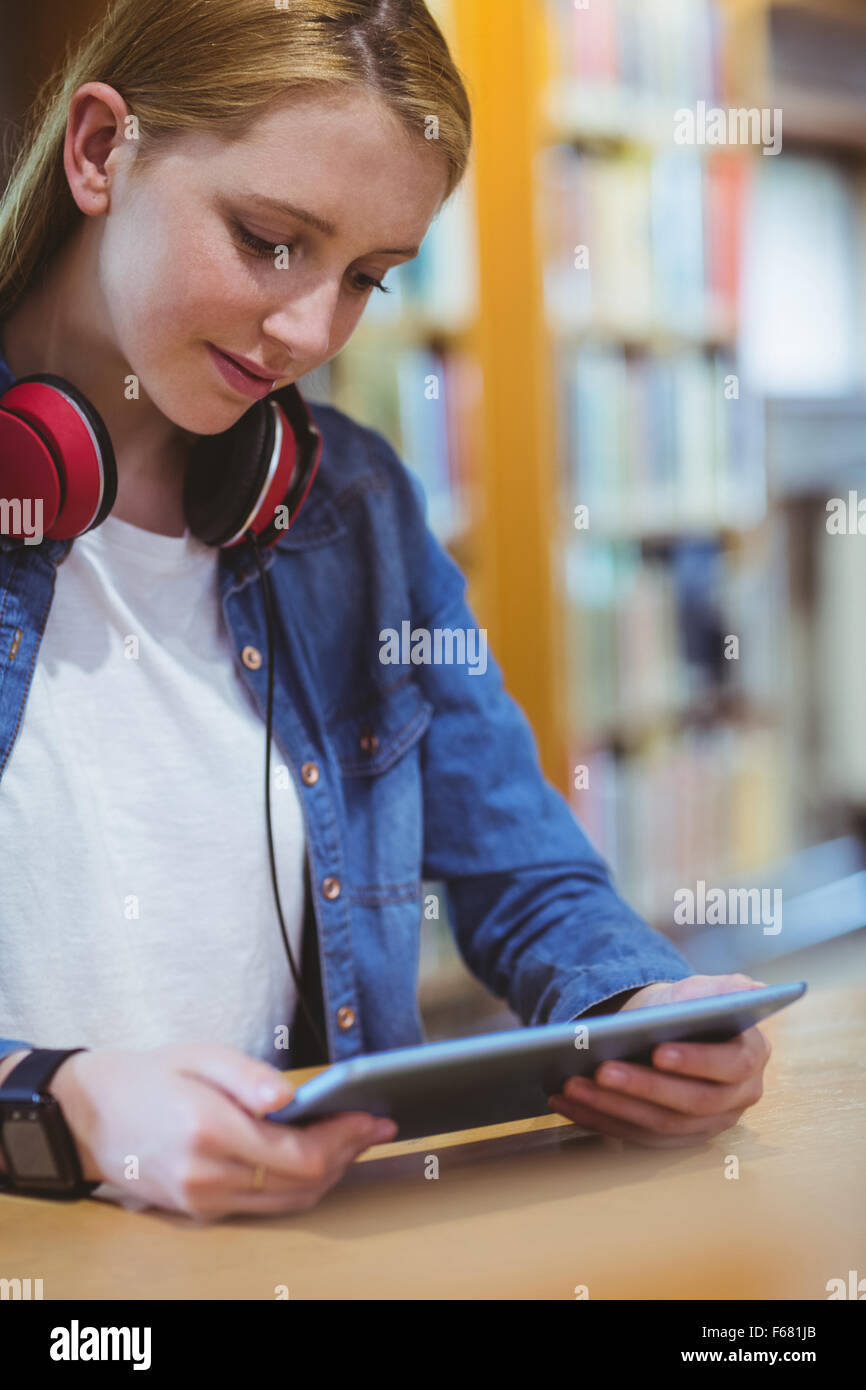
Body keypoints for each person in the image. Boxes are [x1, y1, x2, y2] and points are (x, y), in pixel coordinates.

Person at [0, 0, 770, 1221]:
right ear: (99, 150)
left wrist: (637, 1012)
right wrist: (59, 1106)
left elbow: (522, 870)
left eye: (365, 276)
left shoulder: (350, 504)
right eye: (267, 240)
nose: (309, 330)